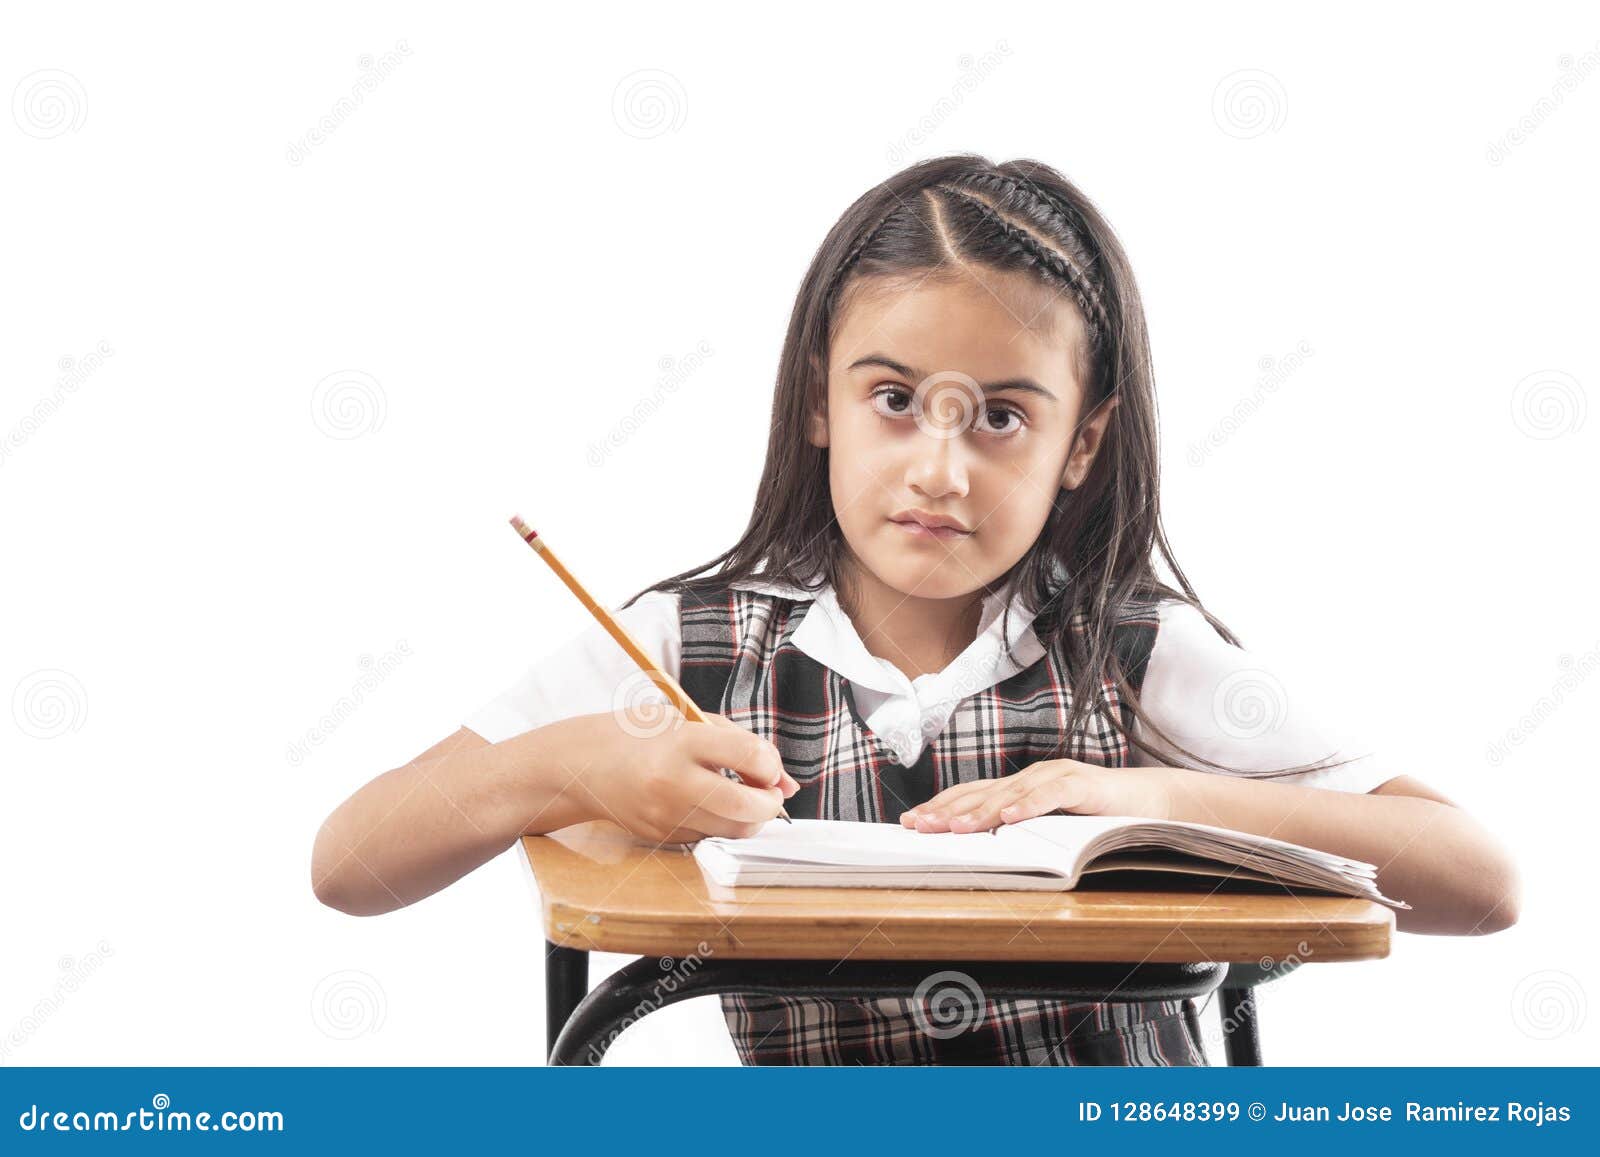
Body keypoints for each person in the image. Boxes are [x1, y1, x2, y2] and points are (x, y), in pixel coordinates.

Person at [312, 154, 1520, 1065]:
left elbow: (1478, 880)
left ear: (1081, 442)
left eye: (1001, 417)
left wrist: (1150, 799)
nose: (940, 471)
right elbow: (350, 862)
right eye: (893, 399)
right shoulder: (688, 646)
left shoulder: (1132, 651)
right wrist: (572, 765)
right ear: (819, 401)